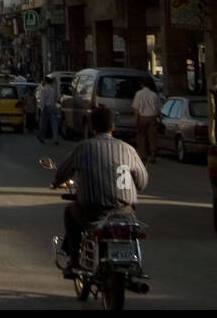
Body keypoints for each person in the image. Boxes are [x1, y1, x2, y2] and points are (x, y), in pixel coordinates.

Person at [51, 106, 148, 275]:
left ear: (92, 127)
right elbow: (142, 181)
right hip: (125, 213)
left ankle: (75, 262)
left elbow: (63, 172)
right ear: (113, 127)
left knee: (70, 211)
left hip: (93, 212)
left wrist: (55, 182)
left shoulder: (84, 148)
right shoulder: (128, 149)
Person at [133, 77, 162, 165]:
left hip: (142, 117)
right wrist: (159, 119)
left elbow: (136, 108)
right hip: (152, 117)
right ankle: (153, 155)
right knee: (152, 137)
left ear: (142, 84)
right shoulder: (154, 95)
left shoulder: (138, 94)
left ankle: (143, 155)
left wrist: (136, 120)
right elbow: (158, 108)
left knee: (141, 136)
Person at [37, 76, 59, 144]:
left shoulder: (44, 89)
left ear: (46, 81)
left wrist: (42, 108)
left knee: (44, 123)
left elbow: (43, 100)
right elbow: (55, 99)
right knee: (54, 124)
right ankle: (55, 139)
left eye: (43, 80)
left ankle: (41, 137)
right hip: (52, 106)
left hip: (46, 107)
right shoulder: (53, 89)